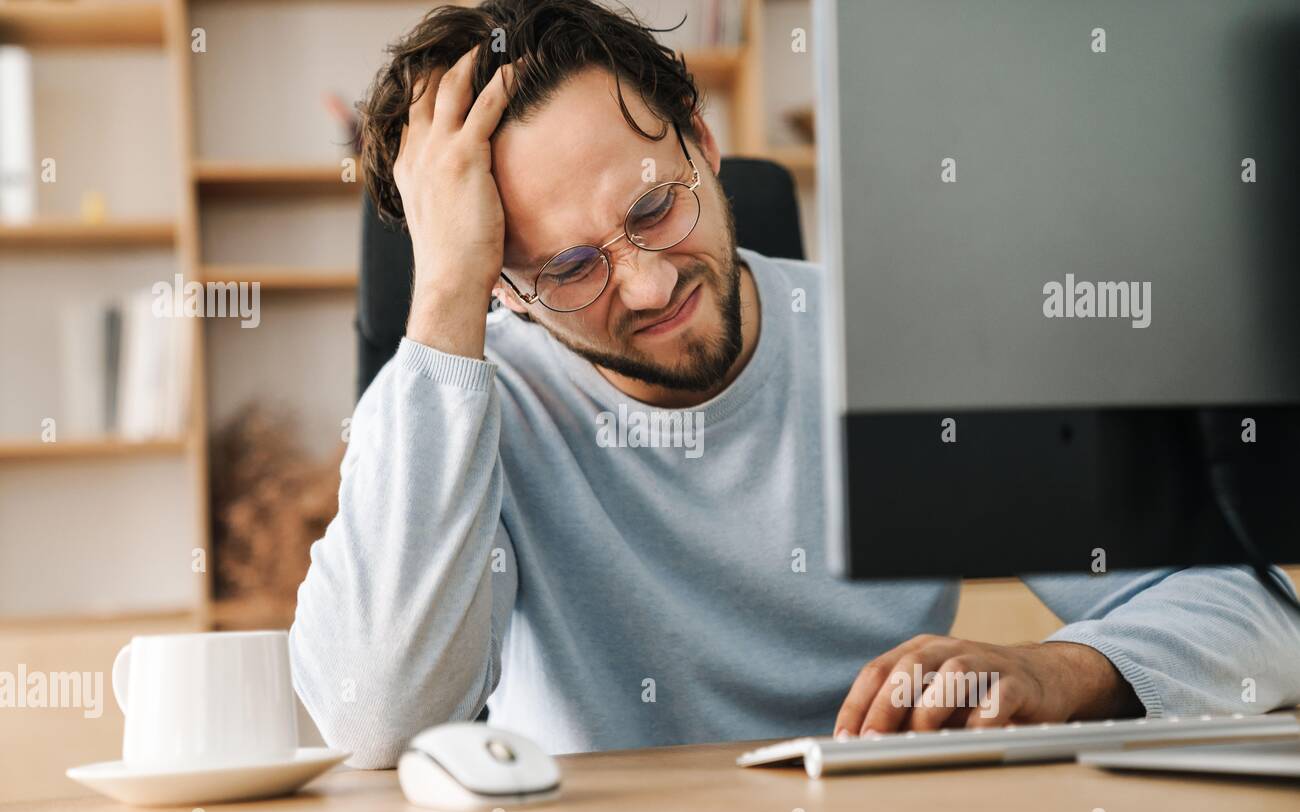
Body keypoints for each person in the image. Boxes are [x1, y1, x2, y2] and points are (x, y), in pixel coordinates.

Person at [290, 0, 1300, 767]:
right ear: (503, 288)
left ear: (701, 138)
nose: (645, 285)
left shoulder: (906, 329)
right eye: (568, 269)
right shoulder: (463, 405)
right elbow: (376, 717)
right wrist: (443, 297)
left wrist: (1067, 667)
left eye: (654, 209)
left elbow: (1261, 625)